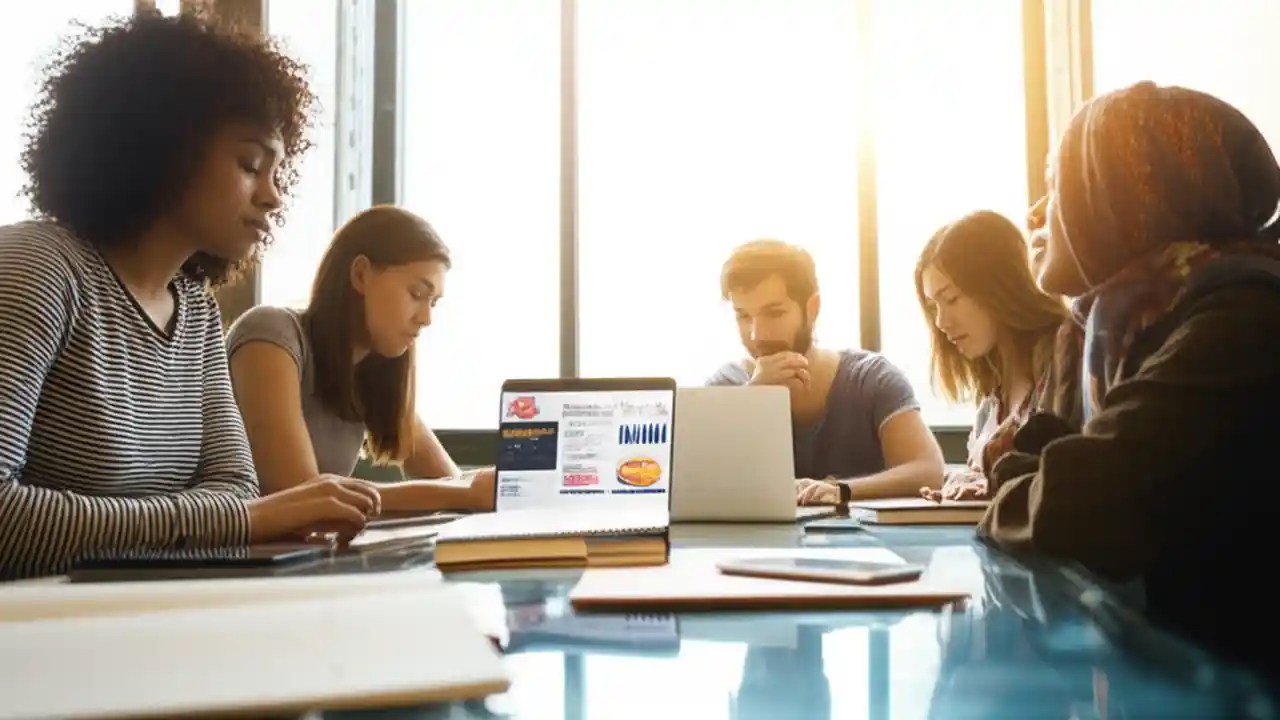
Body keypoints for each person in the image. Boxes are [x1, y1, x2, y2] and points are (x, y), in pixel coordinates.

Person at [0, 11, 380, 580]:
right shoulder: (37, 267)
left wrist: (229, 517)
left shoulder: (195, 308)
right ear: (162, 146)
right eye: (251, 164)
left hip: (142, 617)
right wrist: (230, 521)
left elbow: (236, 487)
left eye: (278, 171)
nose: (273, 196)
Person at [979, 82, 1280, 679]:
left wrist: (1023, 476)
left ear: (1123, 196)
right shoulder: (1116, 328)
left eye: (1056, 184)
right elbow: (1053, 466)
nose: (1036, 213)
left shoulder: (1244, 316)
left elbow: (1075, 508)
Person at [226, 205, 494, 511]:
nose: (426, 318)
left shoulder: (371, 370)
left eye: (433, 302)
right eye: (417, 294)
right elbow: (301, 495)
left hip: (297, 556)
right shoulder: (270, 334)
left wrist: (480, 490)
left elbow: (451, 480)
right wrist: (462, 494)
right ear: (361, 274)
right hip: (215, 551)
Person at [708, 240, 944, 503]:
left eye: (774, 314)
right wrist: (752, 400)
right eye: (743, 316)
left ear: (812, 309)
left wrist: (839, 491)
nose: (757, 334)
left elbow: (928, 471)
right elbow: (695, 485)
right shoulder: (726, 388)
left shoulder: (870, 379)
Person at [914, 211, 1077, 502]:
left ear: (998, 286)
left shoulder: (1064, 356)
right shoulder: (992, 396)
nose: (941, 321)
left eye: (951, 299)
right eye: (933, 306)